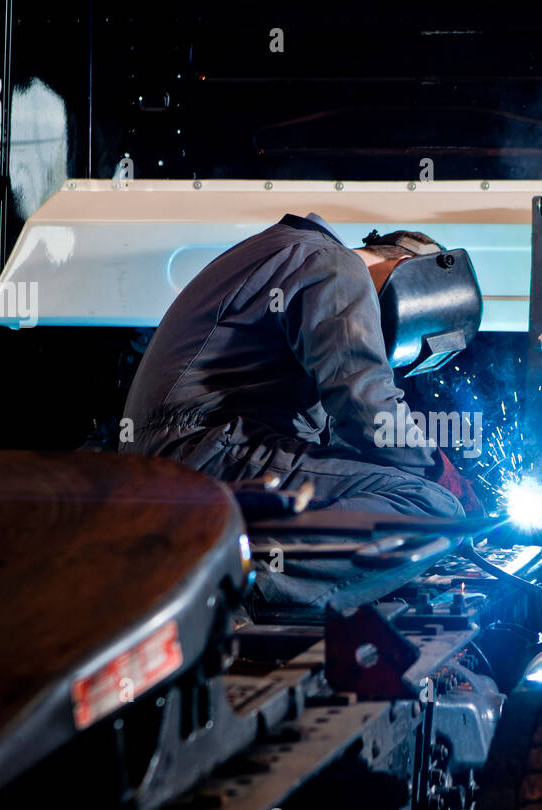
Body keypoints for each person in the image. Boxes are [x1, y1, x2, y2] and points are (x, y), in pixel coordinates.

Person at [121, 212, 478, 605]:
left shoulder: (295, 252)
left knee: (405, 490)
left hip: (194, 456)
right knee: (434, 509)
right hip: (202, 456)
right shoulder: (336, 267)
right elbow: (366, 403)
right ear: (408, 268)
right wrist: (435, 471)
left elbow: (347, 423)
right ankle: (242, 578)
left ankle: (265, 570)